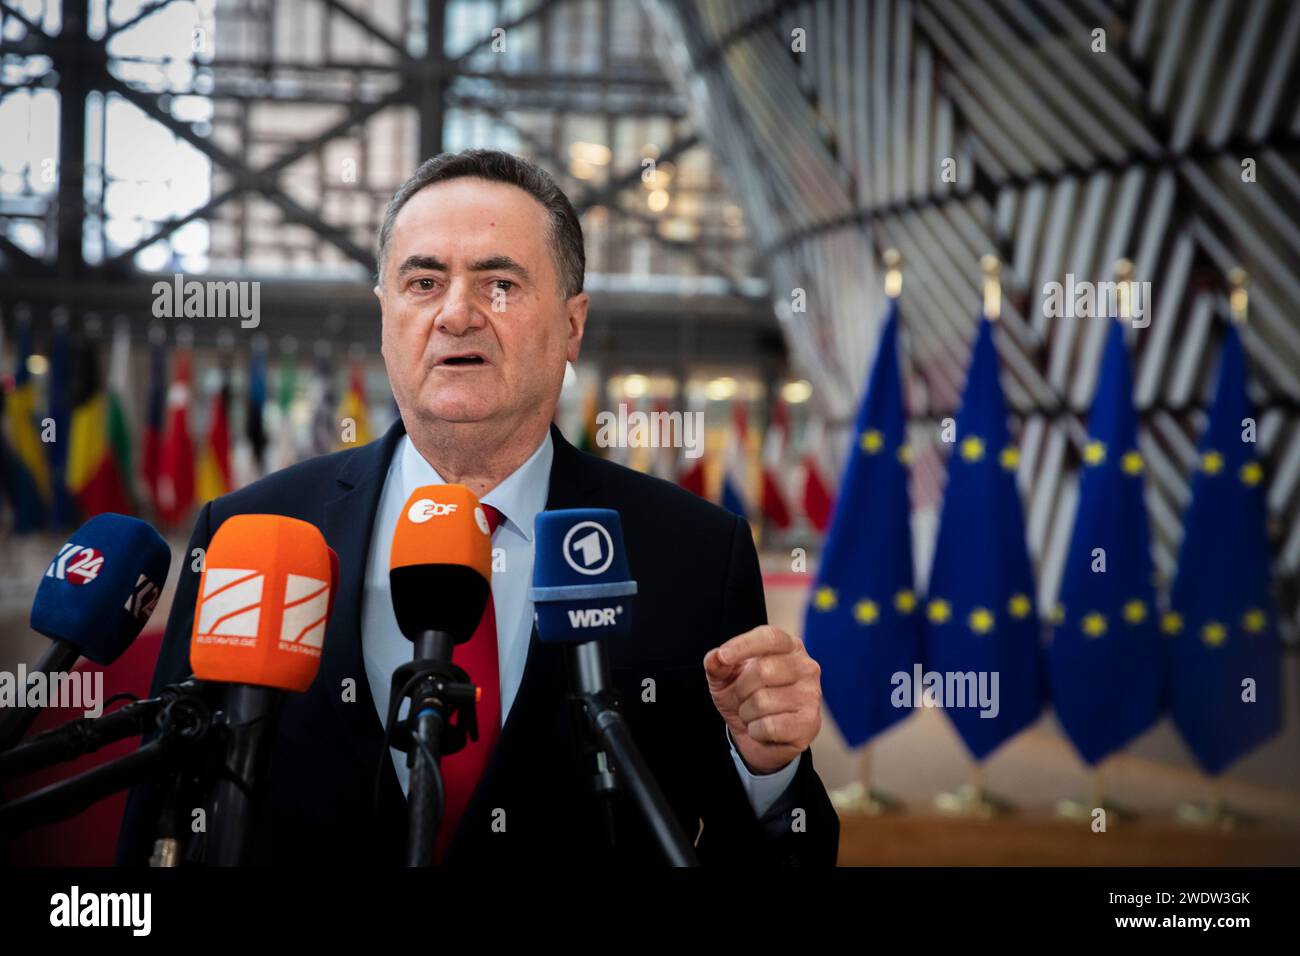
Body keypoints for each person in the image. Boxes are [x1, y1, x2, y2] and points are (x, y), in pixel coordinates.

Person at [118, 149, 838, 866]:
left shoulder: (696, 556)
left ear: (572, 324)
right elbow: (162, 820)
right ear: (385, 314)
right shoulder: (251, 534)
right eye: (423, 281)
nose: (456, 314)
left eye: (499, 284)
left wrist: (767, 771)